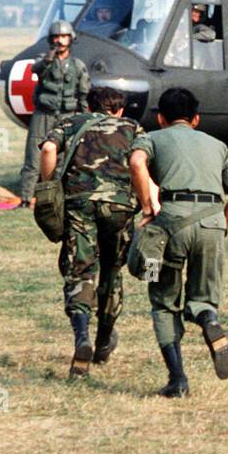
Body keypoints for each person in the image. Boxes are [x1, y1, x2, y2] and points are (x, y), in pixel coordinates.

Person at [129, 87, 228, 398]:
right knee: (204, 297)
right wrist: (221, 227)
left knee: (163, 300)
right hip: (212, 223)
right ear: (195, 119)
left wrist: (146, 206)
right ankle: (208, 318)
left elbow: (137, 163)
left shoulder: (152, 137)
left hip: (169, 226)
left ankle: (178, 379)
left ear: (160, 117)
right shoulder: (218, 145)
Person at [38, 87, 140, 377]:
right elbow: (141, 163)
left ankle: (82, 337)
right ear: (118, 110)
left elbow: (47, 149)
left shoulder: (70, 123)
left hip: (78, 205)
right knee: (112, 271)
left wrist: (47, 186)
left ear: (88, 105)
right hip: (119, 207)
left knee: (80, 272)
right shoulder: (132, 126)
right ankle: (104, 339)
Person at [19, 20, 90, 206]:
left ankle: (57, 198)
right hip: (44, 114)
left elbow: (83, 95)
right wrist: (49, 57)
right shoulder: (44, 61)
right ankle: (26, 198)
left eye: (64, 36)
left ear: (71, 39)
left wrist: (85, 120)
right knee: (33, 157)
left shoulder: (78, 65)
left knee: (62, 159)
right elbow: (36, 70)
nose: (60, 40)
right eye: (57, 37)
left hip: (67, 116)